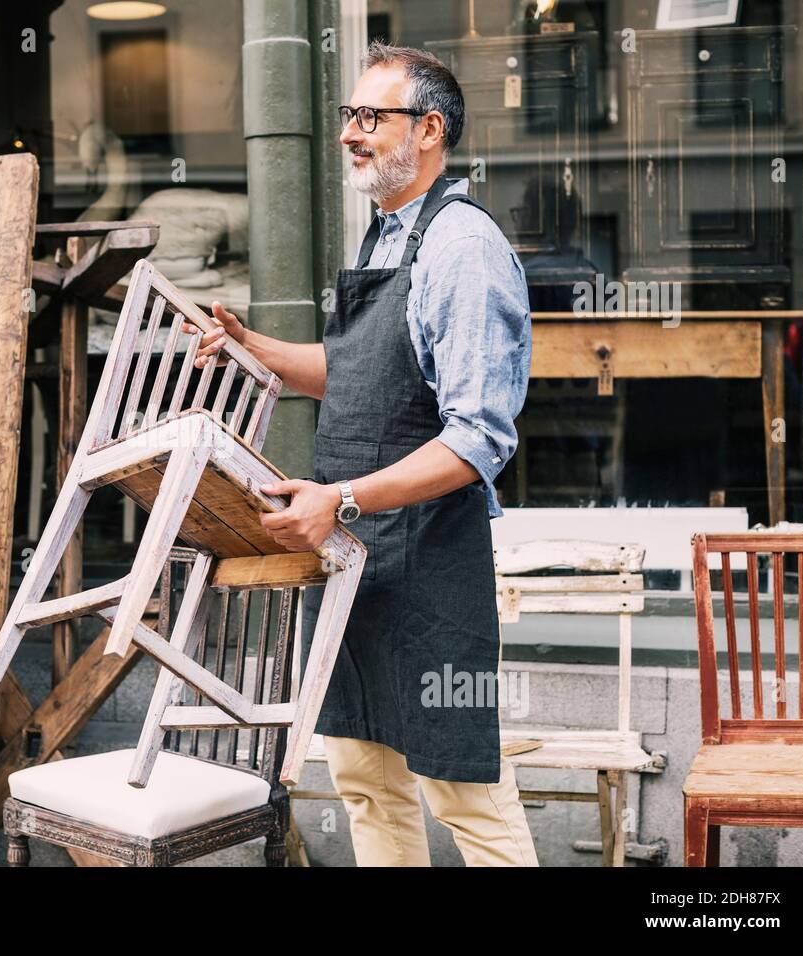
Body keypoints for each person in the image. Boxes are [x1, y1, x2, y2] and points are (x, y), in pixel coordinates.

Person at [186, 43, 538, 866]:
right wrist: (254, 346)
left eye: (371, 117)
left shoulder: (463, 248)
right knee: (364, 783)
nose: (350, 132)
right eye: (348, 115)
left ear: (431, 129)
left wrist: (340, 500)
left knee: (466, 793)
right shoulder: (385, 239)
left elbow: (478, 437)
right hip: (353, 564)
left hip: (430, 572)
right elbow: (353, 374)